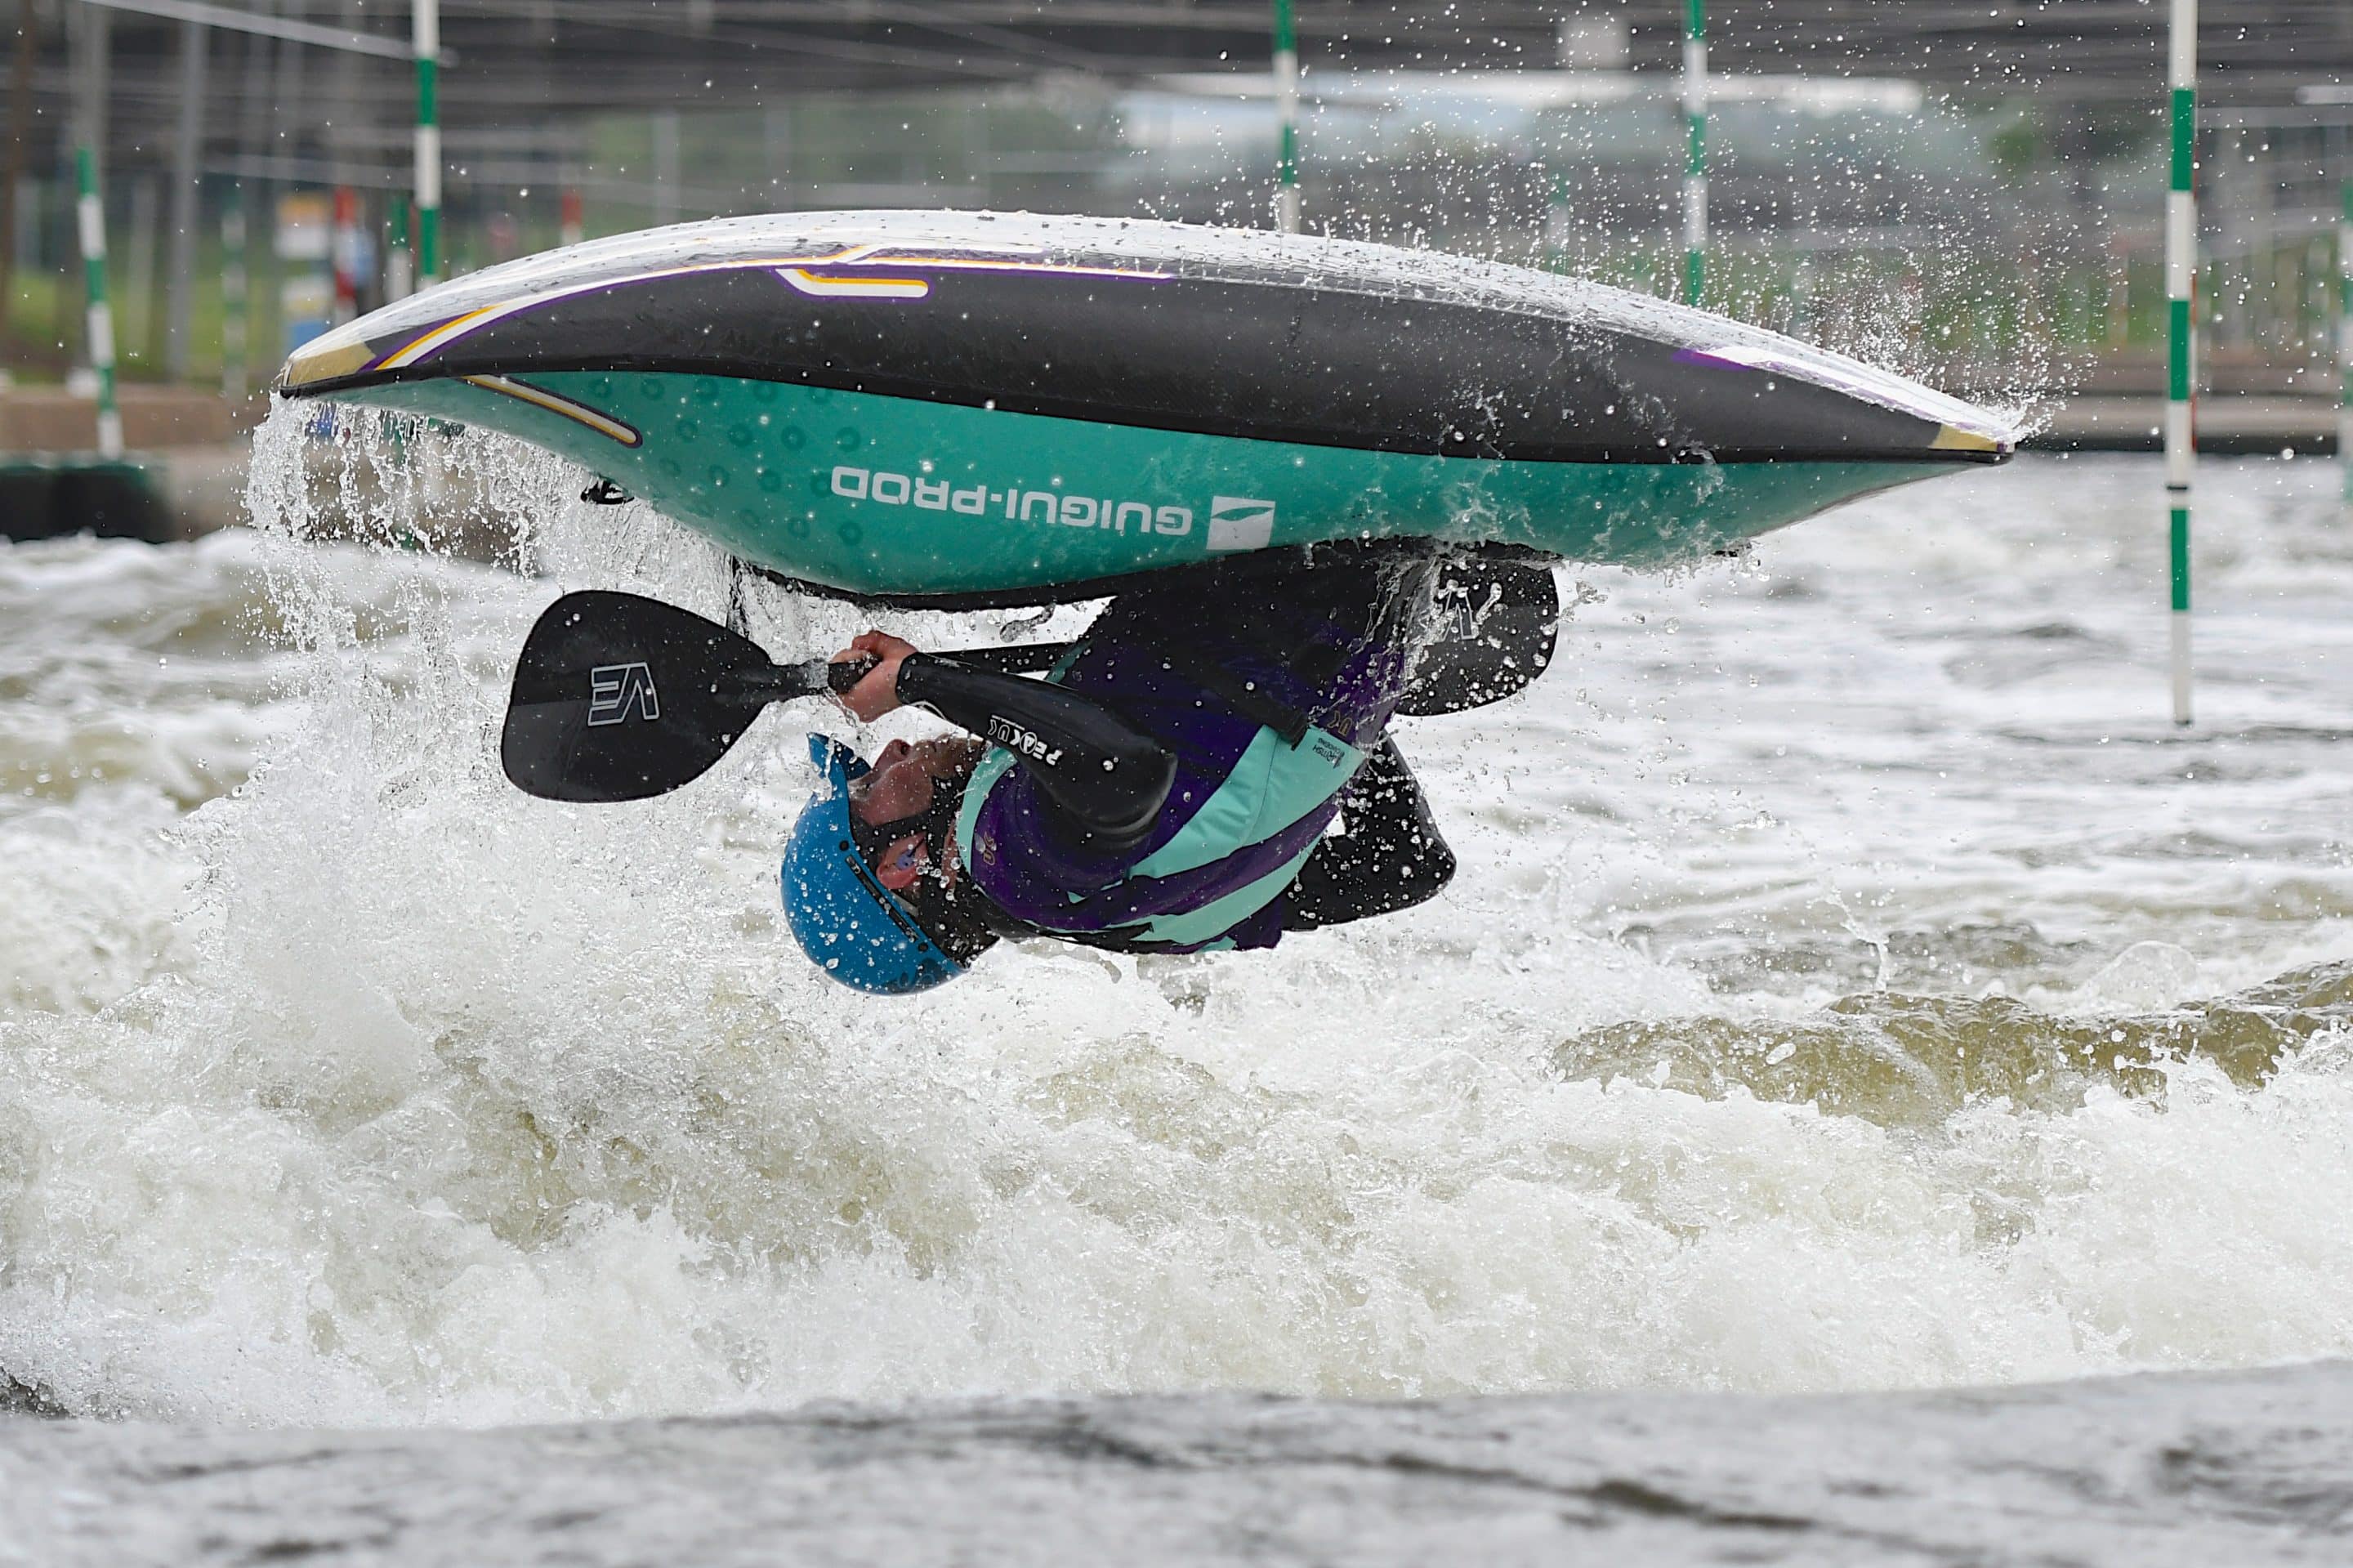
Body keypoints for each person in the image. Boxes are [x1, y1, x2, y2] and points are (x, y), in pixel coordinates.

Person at [780, 549, 1458, 994]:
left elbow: (1404, 866)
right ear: (904, 858)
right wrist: (918, 680)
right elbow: (1119, 769)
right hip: (1283, 579)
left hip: (1370, 614)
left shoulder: (1160, 926)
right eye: (869, 788)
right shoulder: (1015, 863)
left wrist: (1349, 729)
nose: (891, 753)